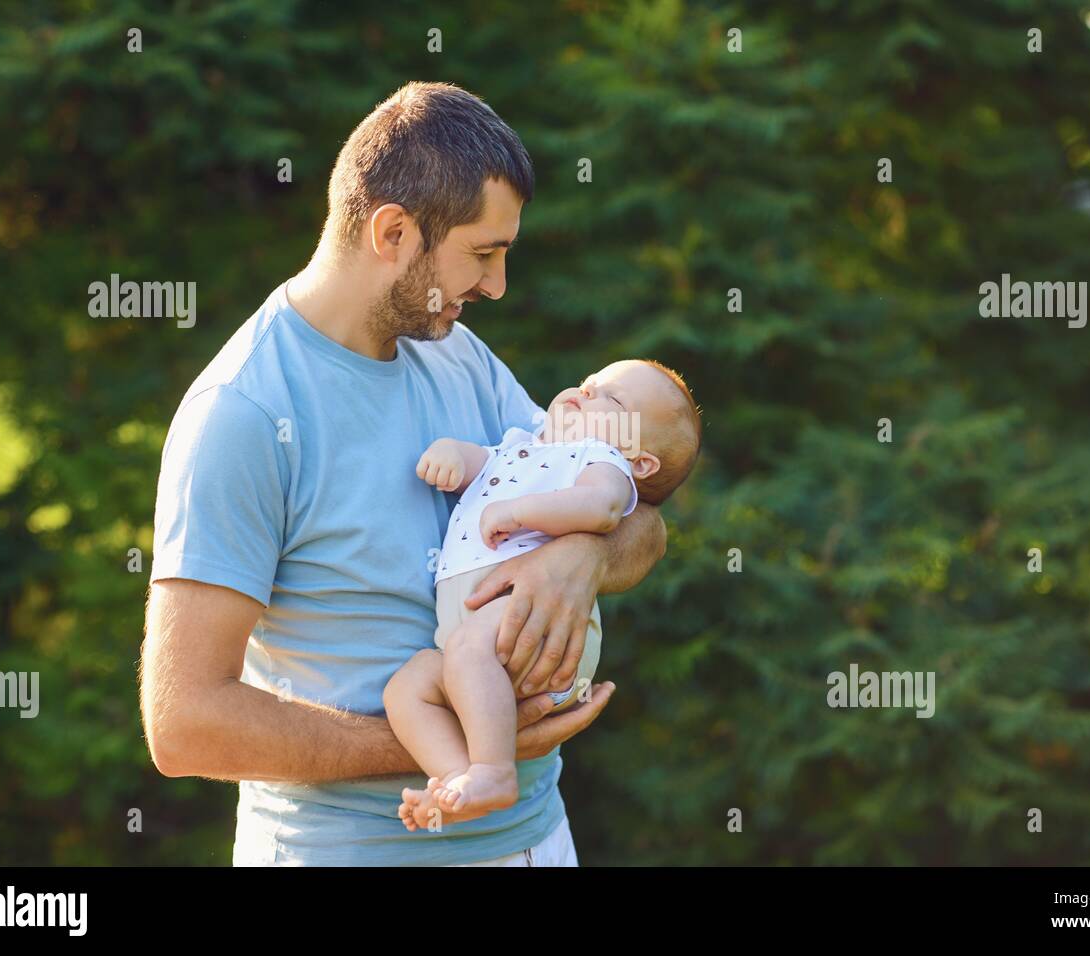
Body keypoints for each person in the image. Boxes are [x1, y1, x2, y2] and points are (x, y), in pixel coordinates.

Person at [138, 81, 667, 866]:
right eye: (482, 255)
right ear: (393, 232)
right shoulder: (242, 414)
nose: (496, 286)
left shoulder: (458, 355)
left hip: (537, 840)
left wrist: (581, 556)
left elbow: (642, 518)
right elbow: (185, 724)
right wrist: (445, 747)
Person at [387, 359, 702, 828]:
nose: (587, 391)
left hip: (538, 626)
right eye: (589, 382)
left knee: (468, 650)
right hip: (477, 636)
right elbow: (481, 461)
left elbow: (602, 509)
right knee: (407, 687)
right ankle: (459, 781)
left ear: (640, 460)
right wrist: (454, 454)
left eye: (612, 399)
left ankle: (494, 771)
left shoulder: (601, 461)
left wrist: (521, 511)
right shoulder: (524, 446)